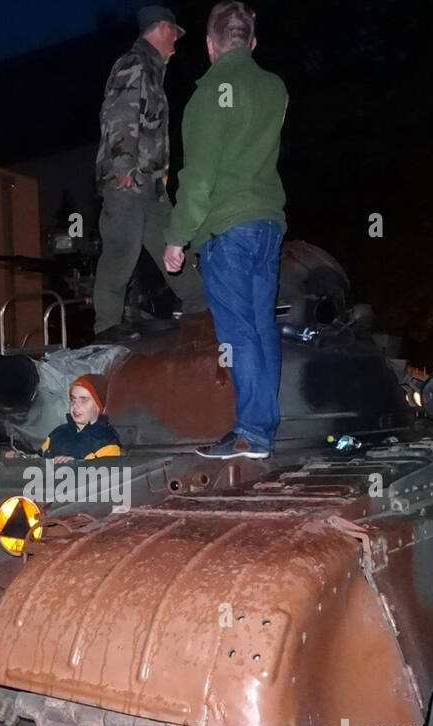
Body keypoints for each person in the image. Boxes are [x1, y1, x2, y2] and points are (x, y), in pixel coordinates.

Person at [163, 2, 288, 460]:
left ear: (211, 45)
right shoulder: (274, 89)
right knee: (261, 330)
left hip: (228, 231)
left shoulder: (209, 94)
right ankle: (260, 430)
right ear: (252, 42)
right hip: (268, 225)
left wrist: (177, 237)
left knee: (238, 334)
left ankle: (252, 433)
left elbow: (198, 179)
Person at [93, 5, 207, 334]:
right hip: (129, 184)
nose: (176, 40)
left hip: (152, 190)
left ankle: (203, 322)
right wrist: (123, 164)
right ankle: (105, 340)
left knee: (177, 255)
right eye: (174, 32)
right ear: (160, 28)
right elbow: (118, 114)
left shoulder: (153, 71)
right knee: (119, 262)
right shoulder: (134, 64)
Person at [39, 375, 123, 464]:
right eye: (73, 400)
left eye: (84, 400)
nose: (75, 406)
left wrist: (76, 464)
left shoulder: (107, 442)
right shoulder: (58, 433)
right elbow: (38, 460)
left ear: (100, 406)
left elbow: (107, 474)